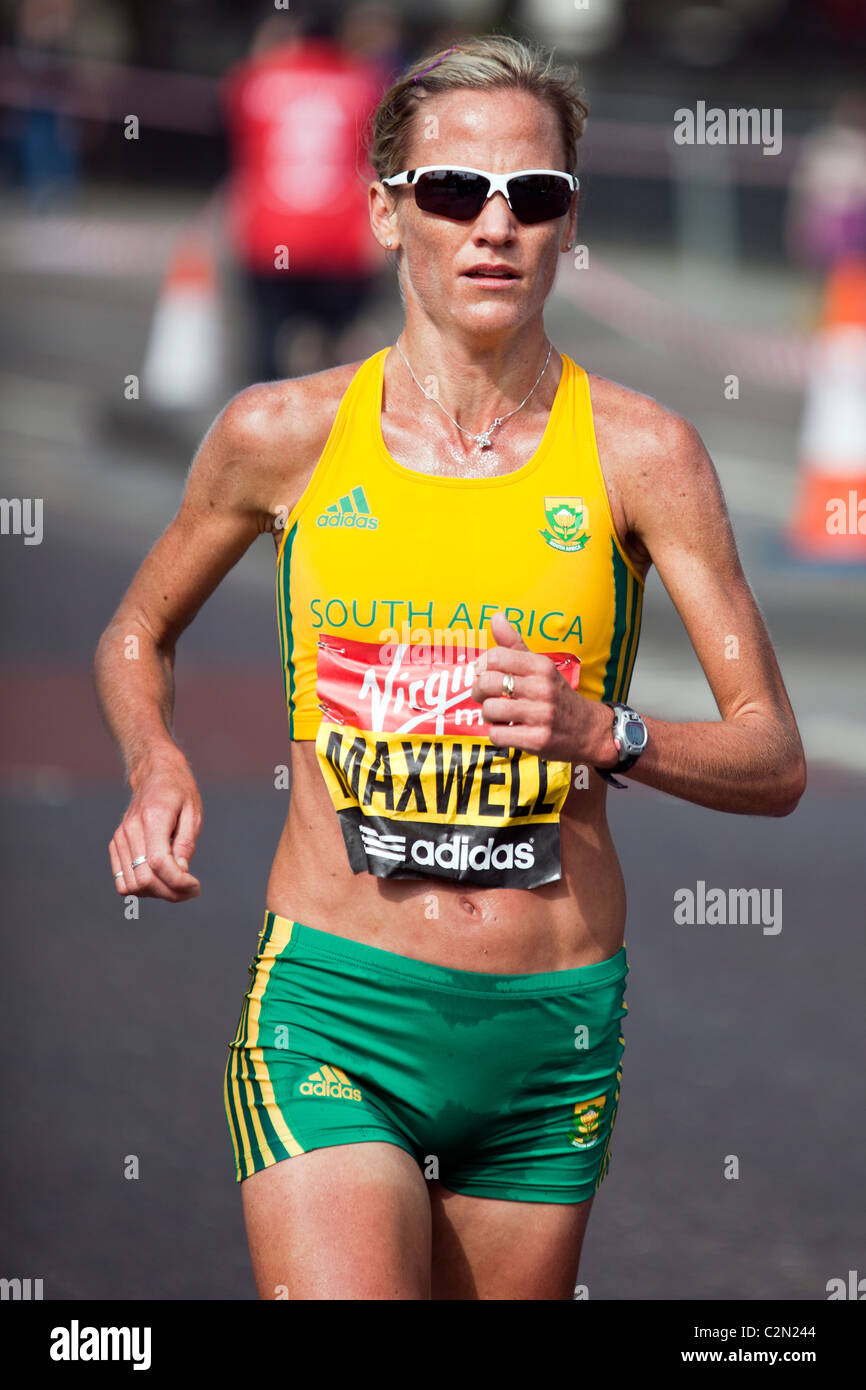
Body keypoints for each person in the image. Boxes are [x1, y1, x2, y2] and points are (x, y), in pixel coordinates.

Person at [94, 35, 806, 1301]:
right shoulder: (282, 434)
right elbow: (135, 632)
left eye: (533, 196)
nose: (494, 225)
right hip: (332, 1010)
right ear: (384, 212)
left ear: (567, 222)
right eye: (450, 191)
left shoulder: (646, 456)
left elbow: (772, 756)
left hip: (550, 1033)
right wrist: (154, 764)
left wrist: (607, 732)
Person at [221, 2, 387, 382]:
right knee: (340, 348)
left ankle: (262, 430)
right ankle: (338, 430)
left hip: (271, 235)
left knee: (266, 342)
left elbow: (237, 138)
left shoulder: (256, 79)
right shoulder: (365, 83)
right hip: (340, 241)